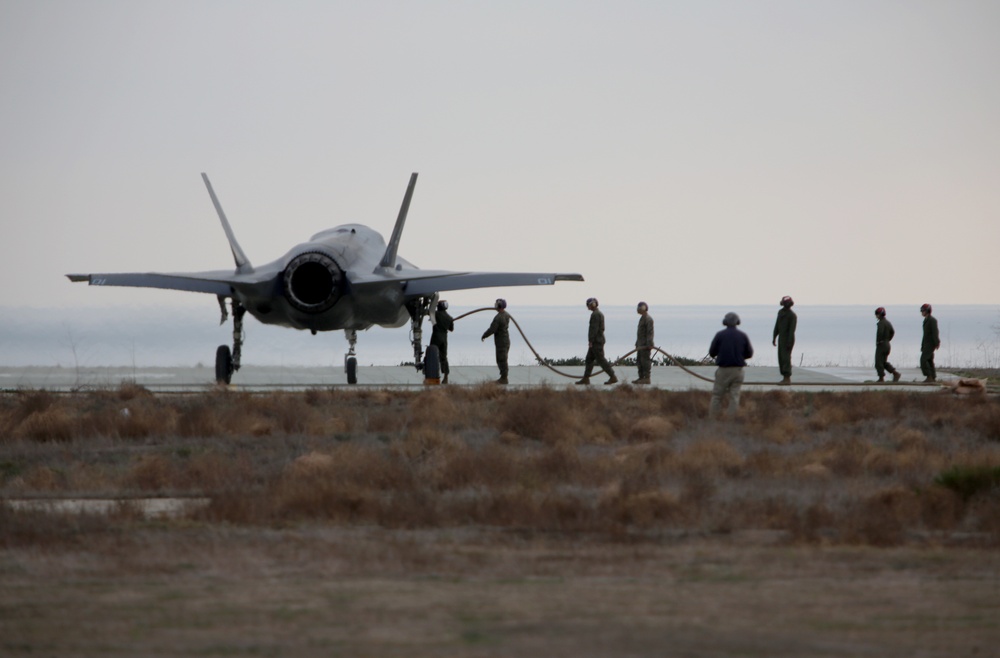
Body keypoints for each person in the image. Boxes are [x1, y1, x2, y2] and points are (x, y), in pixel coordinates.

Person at [708, 312, 753, 419]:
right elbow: (749, 353)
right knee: (734, 397)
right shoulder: (743, 335)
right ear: (737, 322)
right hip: (738, 371)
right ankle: (731, 420)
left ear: (725, 322)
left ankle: (713, 419)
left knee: (717, 396)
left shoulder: (719, 335)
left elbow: (712, 352)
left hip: (723, 370)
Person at [576, 297, 618, 386]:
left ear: (593, 304)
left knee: (601, 360)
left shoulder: (596, 315)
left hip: (596, 341)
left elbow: (594, 329)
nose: (588, 306)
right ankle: (586, 378)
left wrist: (591, 340)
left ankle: (612, 376)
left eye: (589, 304)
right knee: (589, 360)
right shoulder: (597, 314)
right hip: (596, 341)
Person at [481, 298, 511, 384]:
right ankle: (503, 377)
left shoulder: (498, 318)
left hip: (501, 341)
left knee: (502, 359)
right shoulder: (506, 315)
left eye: (497, 304)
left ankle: (504, 378)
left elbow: (492, 329)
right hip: (506, 340)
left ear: (499, 306)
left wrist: (484, 335)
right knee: (503, 358)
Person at [772, 296, 797, 385]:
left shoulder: (792, 315)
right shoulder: (780, 312)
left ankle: (787, 377)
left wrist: (789, 342)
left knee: (786, 358)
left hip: (788, 339)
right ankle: (784, 376)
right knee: (781, 358)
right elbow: (777, 326)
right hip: (781, 339)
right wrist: (774, 337)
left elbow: (791, 330)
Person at [430, 299, 454, 384]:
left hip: (436, 337)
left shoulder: (436, 314)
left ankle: (432, 377)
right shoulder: (449, 318)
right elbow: (451, 329)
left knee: (432, 356)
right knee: (444, 358)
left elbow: (431, 315)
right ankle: (445, 377)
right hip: (444, 339)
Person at [874, 307, 901, 383]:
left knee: (878, 362)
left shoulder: (881, 323)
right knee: (883, 362)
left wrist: (879, 341)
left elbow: (880, 333)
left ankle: (881, 378)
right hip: (887, 344)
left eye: (877, 314)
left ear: (880, 314)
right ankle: (895, 373)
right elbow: (892, 332)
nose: (876, 315)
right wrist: (888, 339)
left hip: (881, 344)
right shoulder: (888, 322)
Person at [633, 301, 654, 385]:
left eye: (639, 308)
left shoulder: (648, 319)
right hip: (640, 344)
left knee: (645, 361)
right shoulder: (642, 318)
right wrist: (637, 343)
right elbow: (640, 333)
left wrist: (649, 343)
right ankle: (641, 377)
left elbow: (650, 332)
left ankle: (647, 378)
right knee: (639, 361)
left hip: (645, 345)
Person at [920, 303, 940, 383]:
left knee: (923, 360)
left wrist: (936, 343)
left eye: (923, 311)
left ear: (927, 311)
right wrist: (922, 345)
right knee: (929, 360)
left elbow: (935, 332)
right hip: (926, 343)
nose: (922, 312)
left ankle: (929, 376)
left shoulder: (932, 320)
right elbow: (925, 335)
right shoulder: (926, 320)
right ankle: (933, 376)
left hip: (930, 344)